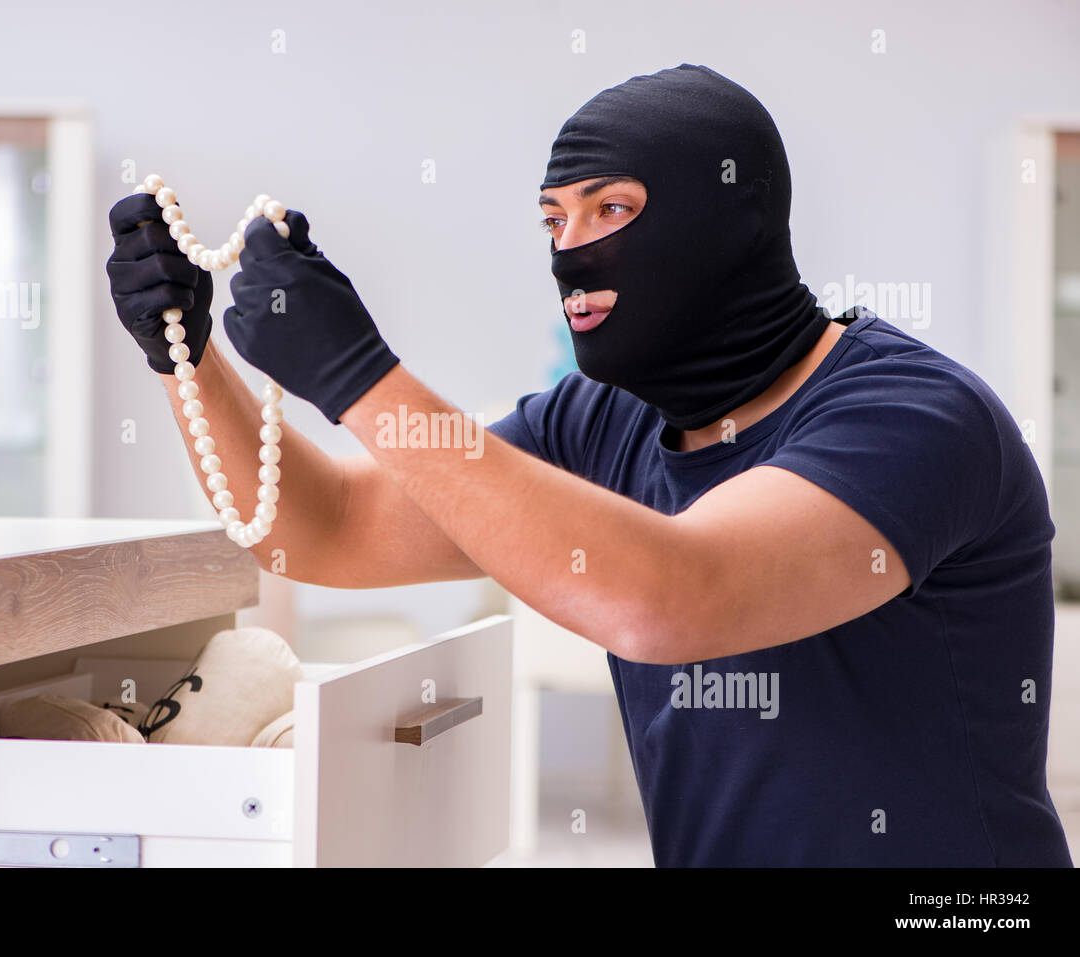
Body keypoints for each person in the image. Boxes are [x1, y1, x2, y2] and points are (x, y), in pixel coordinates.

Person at [106, 63, 1073, 866]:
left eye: (611, 208)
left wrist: (362, 378)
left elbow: (674, 598)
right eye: (553, 221)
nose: (571, 252)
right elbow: (319, 530)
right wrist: (185, 357)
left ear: (730, 219)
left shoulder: (916, 417)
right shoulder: (604, 417)